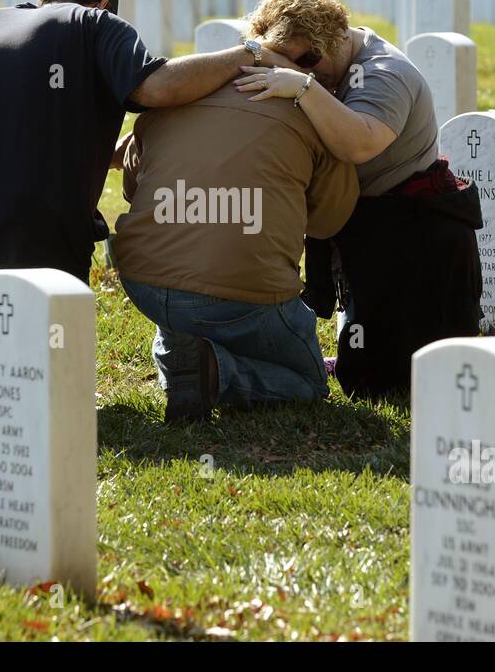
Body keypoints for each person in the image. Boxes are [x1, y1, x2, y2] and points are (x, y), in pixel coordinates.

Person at [0, 0, 267, 436]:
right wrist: (248, 52)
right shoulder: (96, 24)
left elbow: (19, 130)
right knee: (48, 389)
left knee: (21, 362)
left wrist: (104, 153)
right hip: (33, 246)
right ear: (103, 4)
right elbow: (158, 86)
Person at [233, 0, 484, 400]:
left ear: (336, 38)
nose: (306, 70)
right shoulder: (320, 67)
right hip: (361, 233)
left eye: (310, 60)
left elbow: (361, 143)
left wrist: (301, 87)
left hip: (417, 237)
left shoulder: (386, 72)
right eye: (290, 62)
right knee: (362, 366)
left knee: (398, 380)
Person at [113, 82, 358, 423]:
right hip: (248, 294)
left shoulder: (169, 99)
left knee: (186, 294)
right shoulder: (317, 118)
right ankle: (214, 370)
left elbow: (132, 190)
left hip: (146, 284)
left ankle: (181, 338)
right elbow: (328, 221)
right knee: (310, 384)